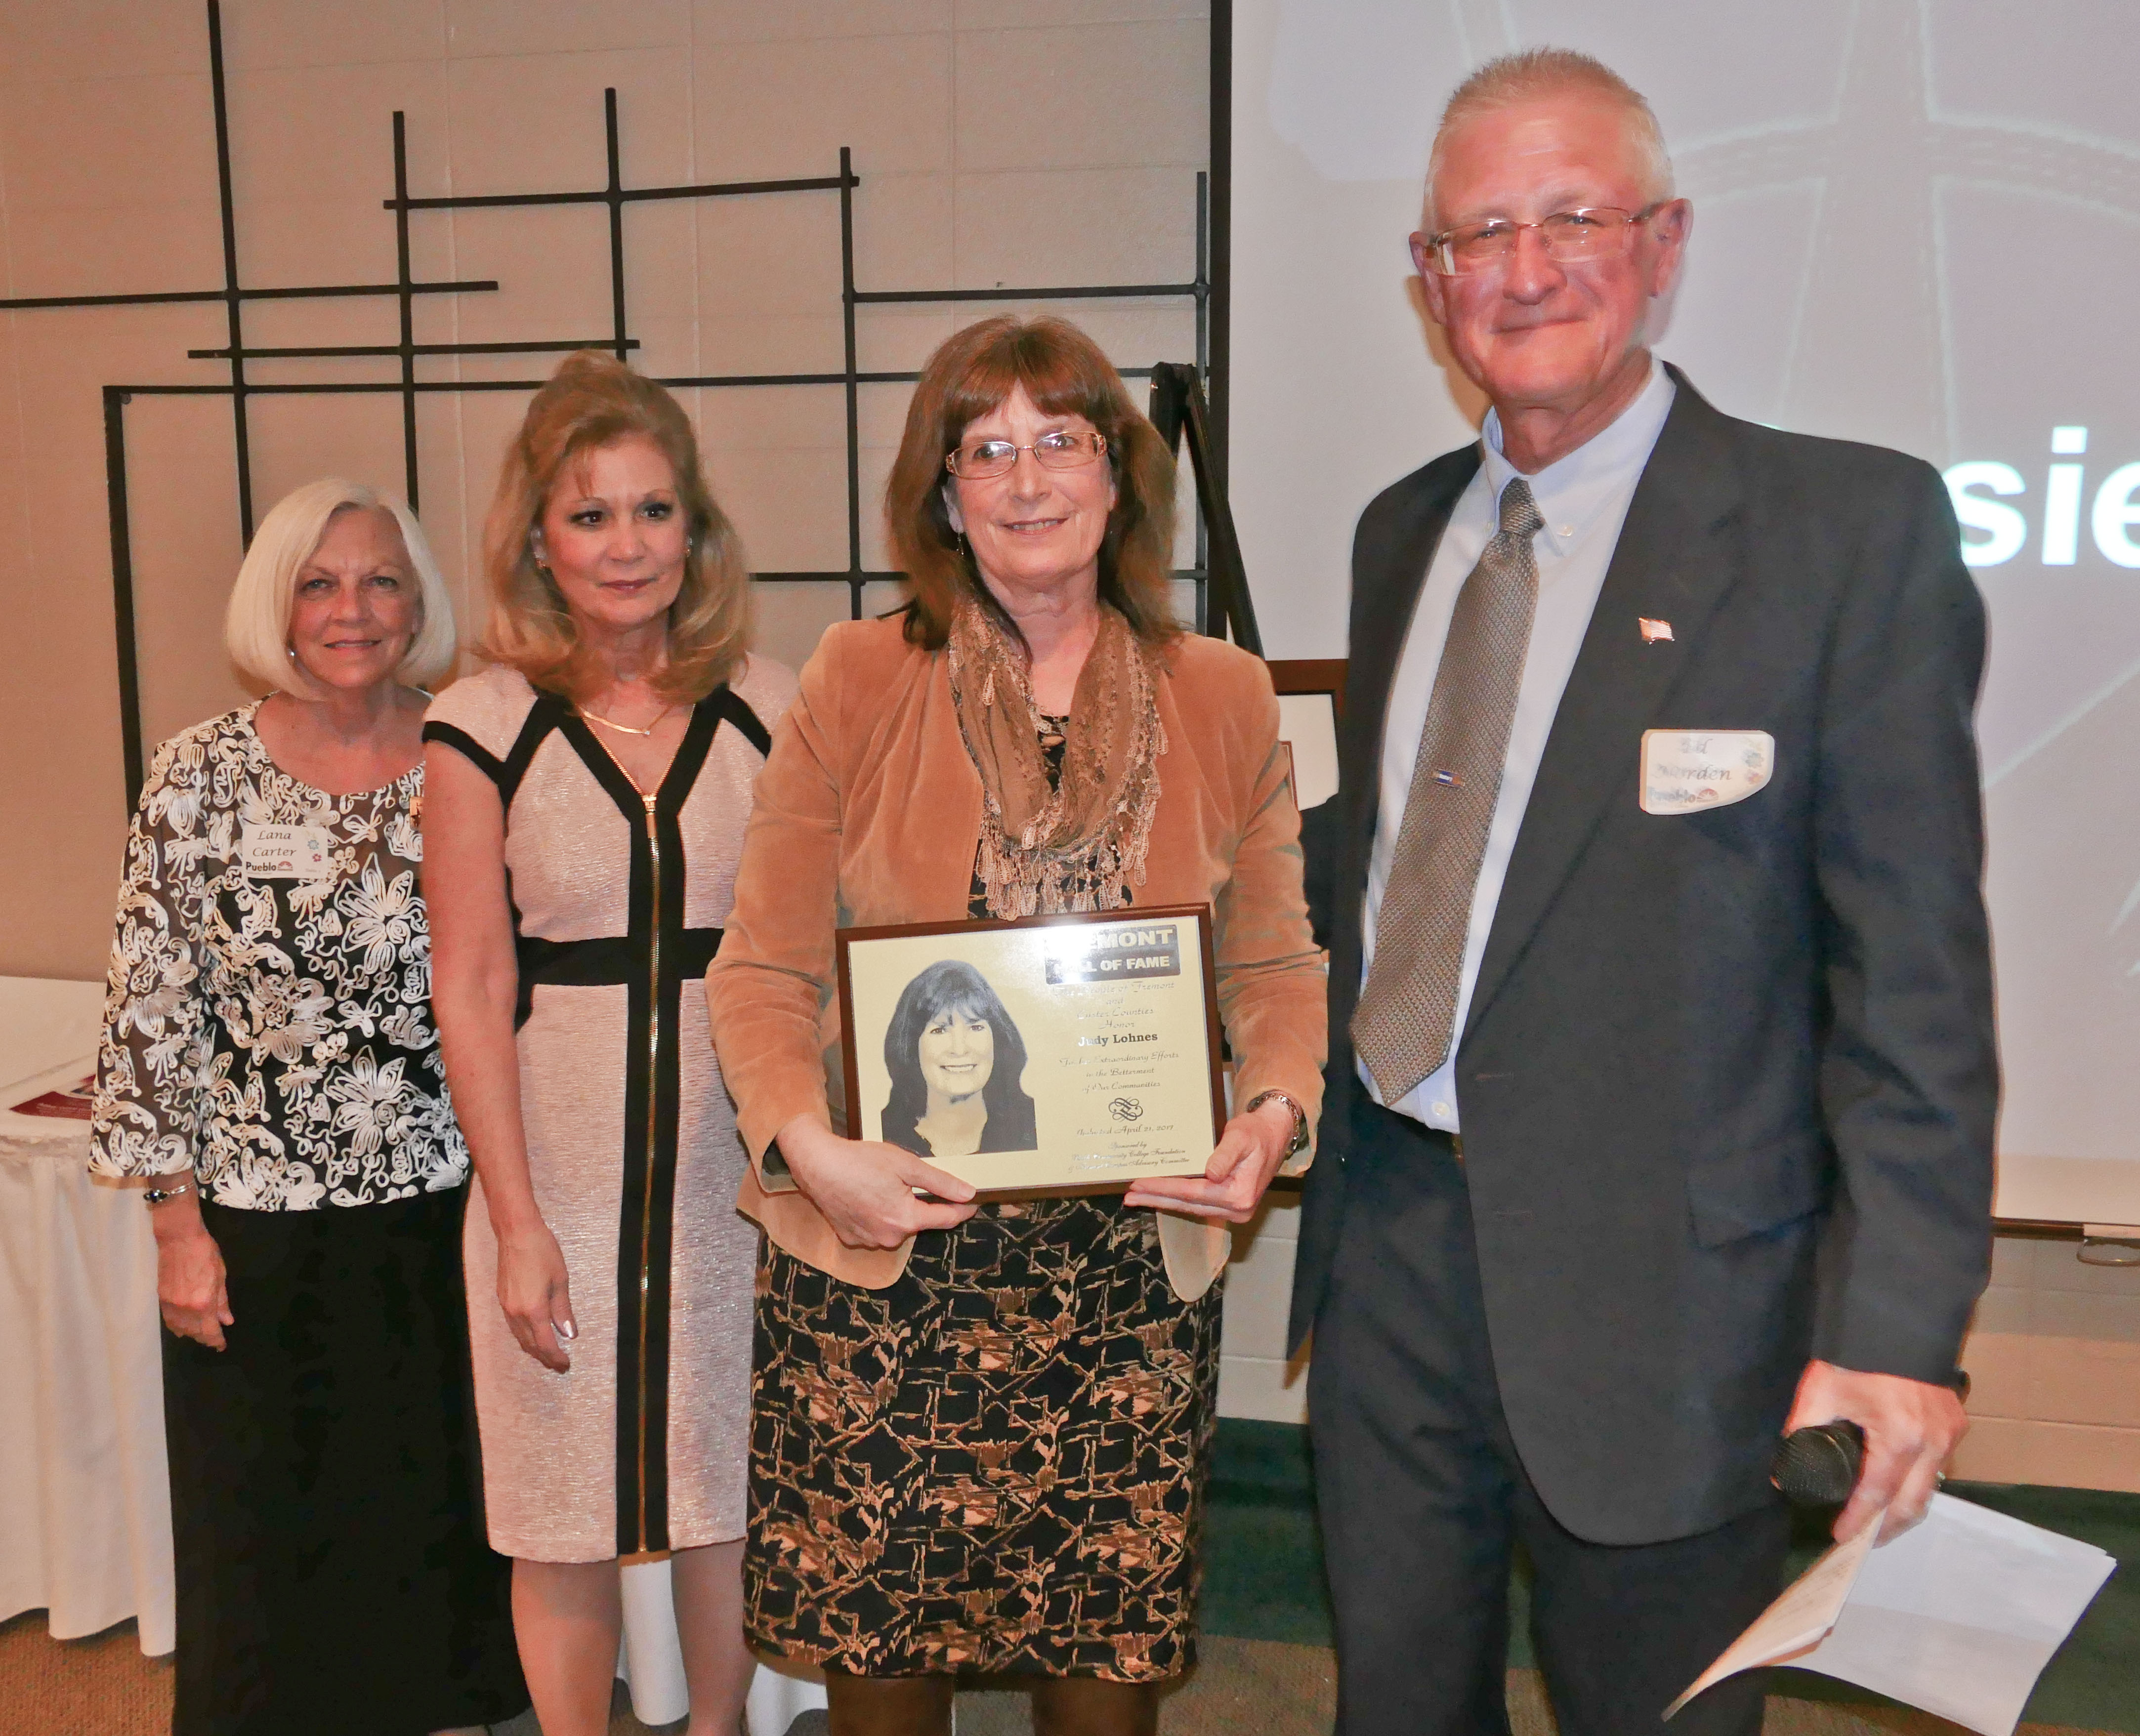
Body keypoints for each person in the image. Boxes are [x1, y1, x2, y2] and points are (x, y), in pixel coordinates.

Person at [1291, 48, 1997, 1736]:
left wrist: (1899, 1324)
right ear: (1427, 280)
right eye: (1478, 232)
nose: (1523, 270)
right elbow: (1388, 869)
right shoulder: (1402, 536)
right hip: (1390, 1251)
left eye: (1573, 217)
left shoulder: (1843, 530)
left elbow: (1913, 974)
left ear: (1665, 242)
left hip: (1675, 1307)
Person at [707, 314, 1326, 1736]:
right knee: (882, 1687)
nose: (1027, 477)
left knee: (1102, 1695)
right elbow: (761, 972)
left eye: (1061, 439)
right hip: (883, 1253)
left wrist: (1270, 1117)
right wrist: (809, 1149)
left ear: (1119, 477)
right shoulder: (857, 680)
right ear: (942, 494)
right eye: (985, 449)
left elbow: (1280, 968)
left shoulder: (1224, 697)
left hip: (1121, 1279)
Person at [89, 479, 526, 1736]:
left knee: (431, 1514)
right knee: (268, 1528)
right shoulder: (198, 776)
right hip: (256, 1225)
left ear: (420, 601)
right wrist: (176, 1228)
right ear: (274, 604)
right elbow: (150, 1010)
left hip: (443, 1211)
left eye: (383, 580)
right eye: (320, 582)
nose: (354, 609)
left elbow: (514, 979)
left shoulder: (469, 753)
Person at [421, 350, 796, 1736]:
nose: (625, 544)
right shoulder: (476, 725)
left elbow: (814, 943)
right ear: (538, 538)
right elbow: (467, 980)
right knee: (560, 1510)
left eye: (652, 510)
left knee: (717, 1487)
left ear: (694, 531)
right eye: (590, 515)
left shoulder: (773, 702)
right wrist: (514, 1218)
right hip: (554, 1172)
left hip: (726, 1170)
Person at [879, 959, 1038, 1157]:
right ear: (911, 1046)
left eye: (975, 1027)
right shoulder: (882, 1138)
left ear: (998, 1039)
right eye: (940, 1030)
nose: (960, 1049)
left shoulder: (1034, 1125)